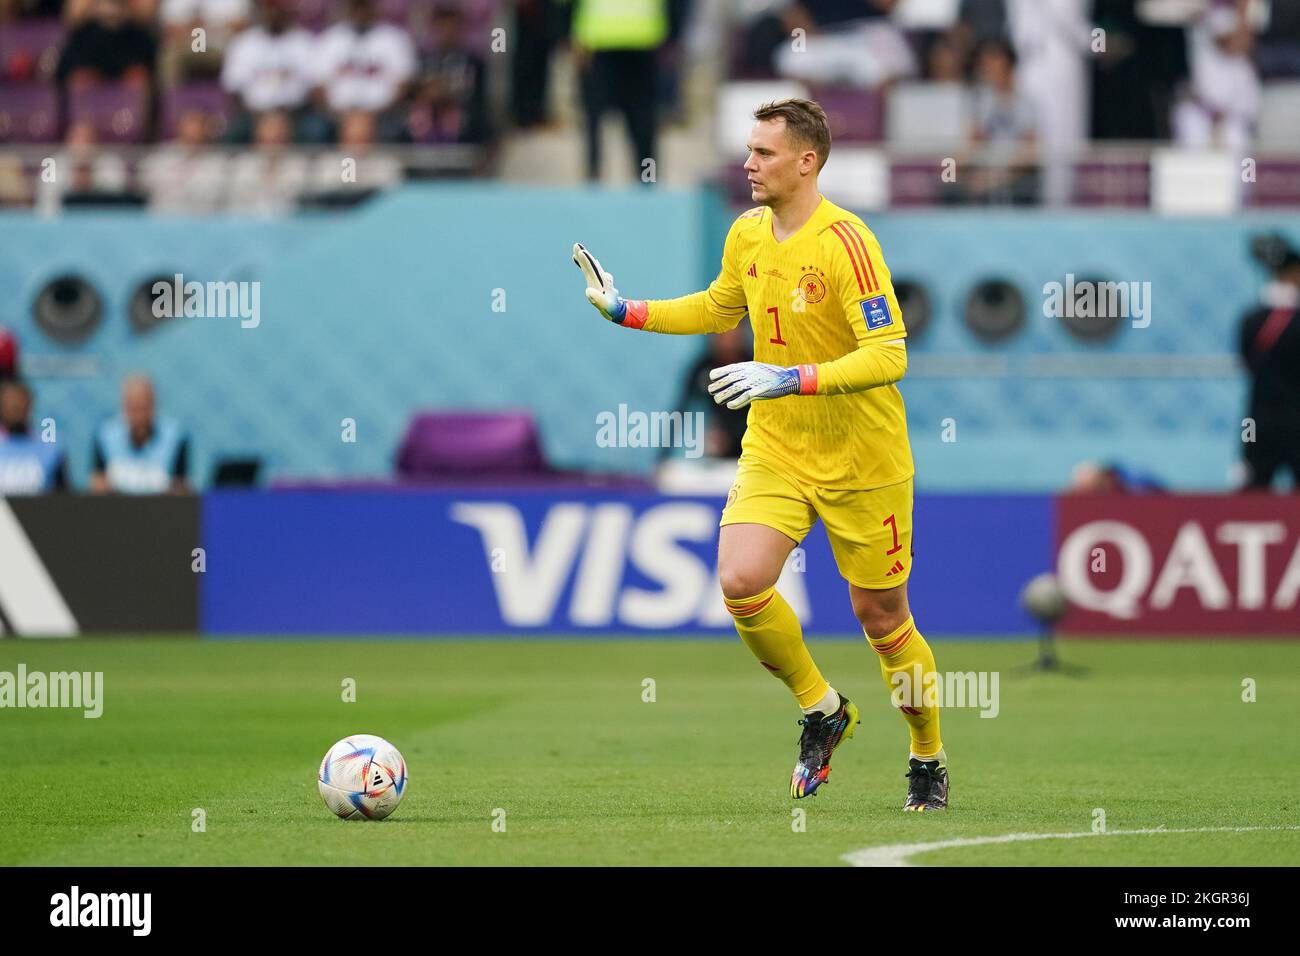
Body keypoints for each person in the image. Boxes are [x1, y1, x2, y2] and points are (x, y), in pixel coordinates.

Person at [573, 98, 948, 811]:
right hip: (778, 444)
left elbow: (890, 353)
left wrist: (791, 376)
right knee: (741, 580)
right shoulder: (747, 232)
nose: (748, 163)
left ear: (806, 161)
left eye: (764, 153)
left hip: (862, 457)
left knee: (882, 618)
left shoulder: (848, 244)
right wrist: (629, 310)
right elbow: (719, 306)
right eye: (748, 150)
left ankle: (926, 755)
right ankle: (822, 708)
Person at [1239, 245, 1300, 490]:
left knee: (1253, 488)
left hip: (1254, 422)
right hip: (1296, 420)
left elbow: (1247, 364)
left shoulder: (1250, 321)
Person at [89, 374, 191, 494]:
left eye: (144, 408)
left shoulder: (176, 437)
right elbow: (97, 484)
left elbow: (180, 487)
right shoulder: (105, 435)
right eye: (133, 408)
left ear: (154, 405)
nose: (139, 417)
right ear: (124, 406)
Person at [0, 379, 68, 494]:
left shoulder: (51, 448)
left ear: (30, 404)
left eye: (20, 401)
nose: (15, 407)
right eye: (9, 401)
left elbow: (63, 497)